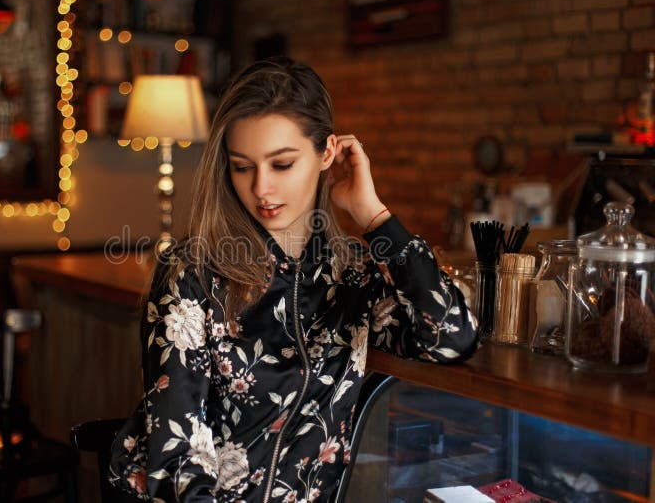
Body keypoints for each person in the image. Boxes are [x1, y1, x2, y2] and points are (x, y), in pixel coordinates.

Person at [109, 57, 479, 502]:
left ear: (326, 152)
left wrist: (372, 215)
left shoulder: (353, 274)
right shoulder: (193, 273)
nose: (261, 188)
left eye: (281, 164)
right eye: (242, 166)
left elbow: (451, 337)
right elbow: (175, 462)